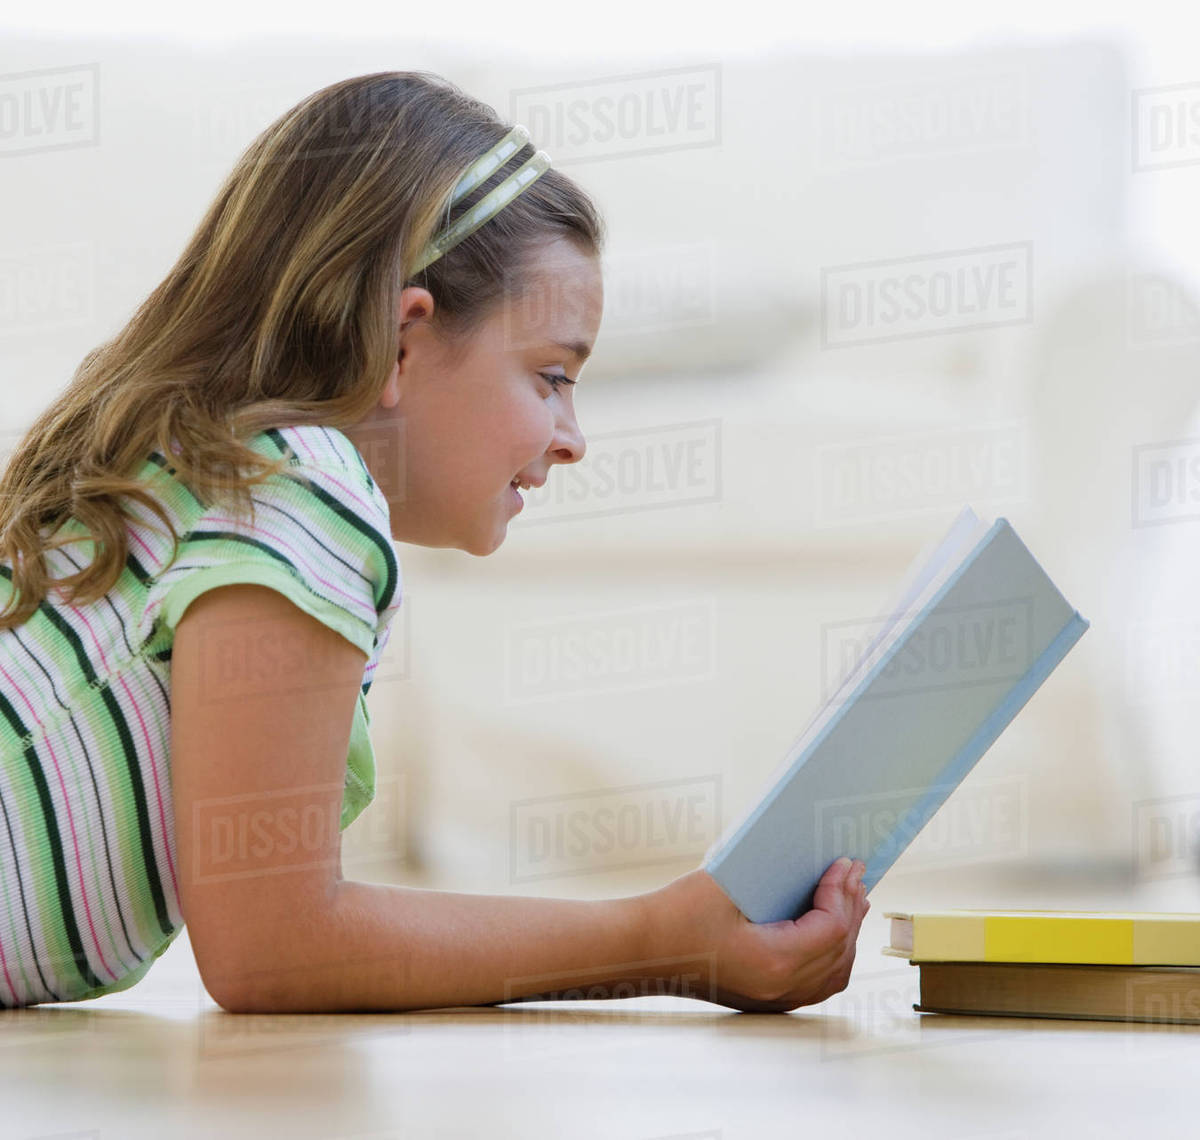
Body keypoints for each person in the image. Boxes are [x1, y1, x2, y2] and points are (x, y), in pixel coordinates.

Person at [0, 71, 868, 1013]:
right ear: (403, 342)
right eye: (550, 376)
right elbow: (272, 944)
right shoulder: (304, 484)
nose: (574, 437)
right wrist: (661, 942)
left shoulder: (214, 470)